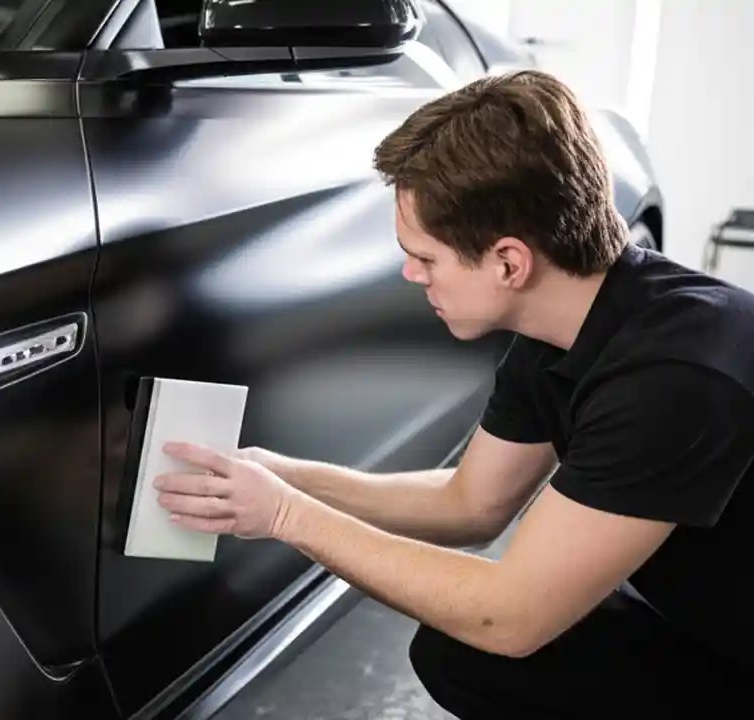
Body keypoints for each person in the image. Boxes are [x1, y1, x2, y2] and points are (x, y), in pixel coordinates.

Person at [152, 69, 754, 719]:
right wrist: (281, 476)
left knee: (493, 638)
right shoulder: (564, 327)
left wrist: (284, 517)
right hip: (716, 629)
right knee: (459, 654)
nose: (411, 274)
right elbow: (470, 505)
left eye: (427, 258)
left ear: (508, 263)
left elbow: (512, 618)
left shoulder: (673, 377)